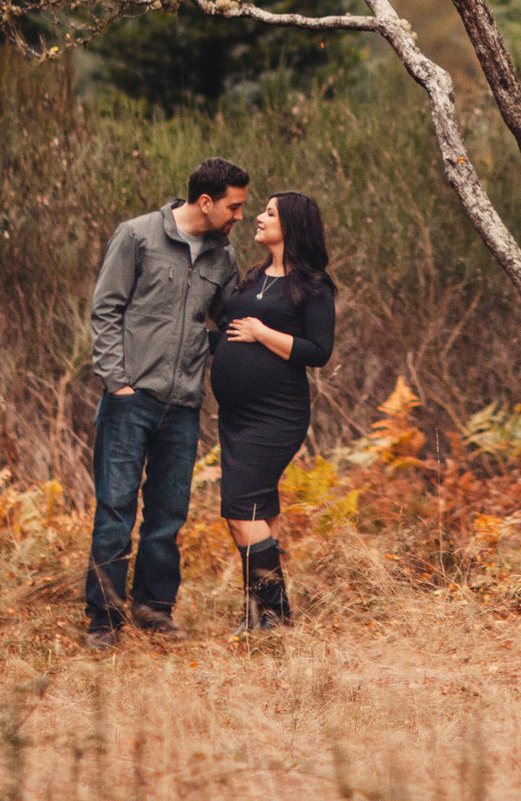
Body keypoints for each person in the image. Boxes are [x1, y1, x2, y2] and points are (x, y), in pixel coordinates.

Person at [82, 156, 248, 648]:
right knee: (115, 510)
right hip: (131, 399)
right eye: (233, 207)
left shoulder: (223, 259)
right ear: (204, 202)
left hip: (183, 405)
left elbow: (228, 324)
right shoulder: (136, 237)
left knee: (168, 514)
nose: (239, 216)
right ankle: (104, 621)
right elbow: (106, 308)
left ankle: (154, 608)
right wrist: (117, 381)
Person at [211, 190, 338, 630]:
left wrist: (264, 333)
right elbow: (227, 332)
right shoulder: (252, 278)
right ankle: (258, 611)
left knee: (237, 509)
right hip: (236, 417)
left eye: (269, 213)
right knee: (258, 510)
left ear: (292, 226)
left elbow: (318, 352)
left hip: (276, 414)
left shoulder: (313, 286)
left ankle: (277, 613)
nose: (258, 219)